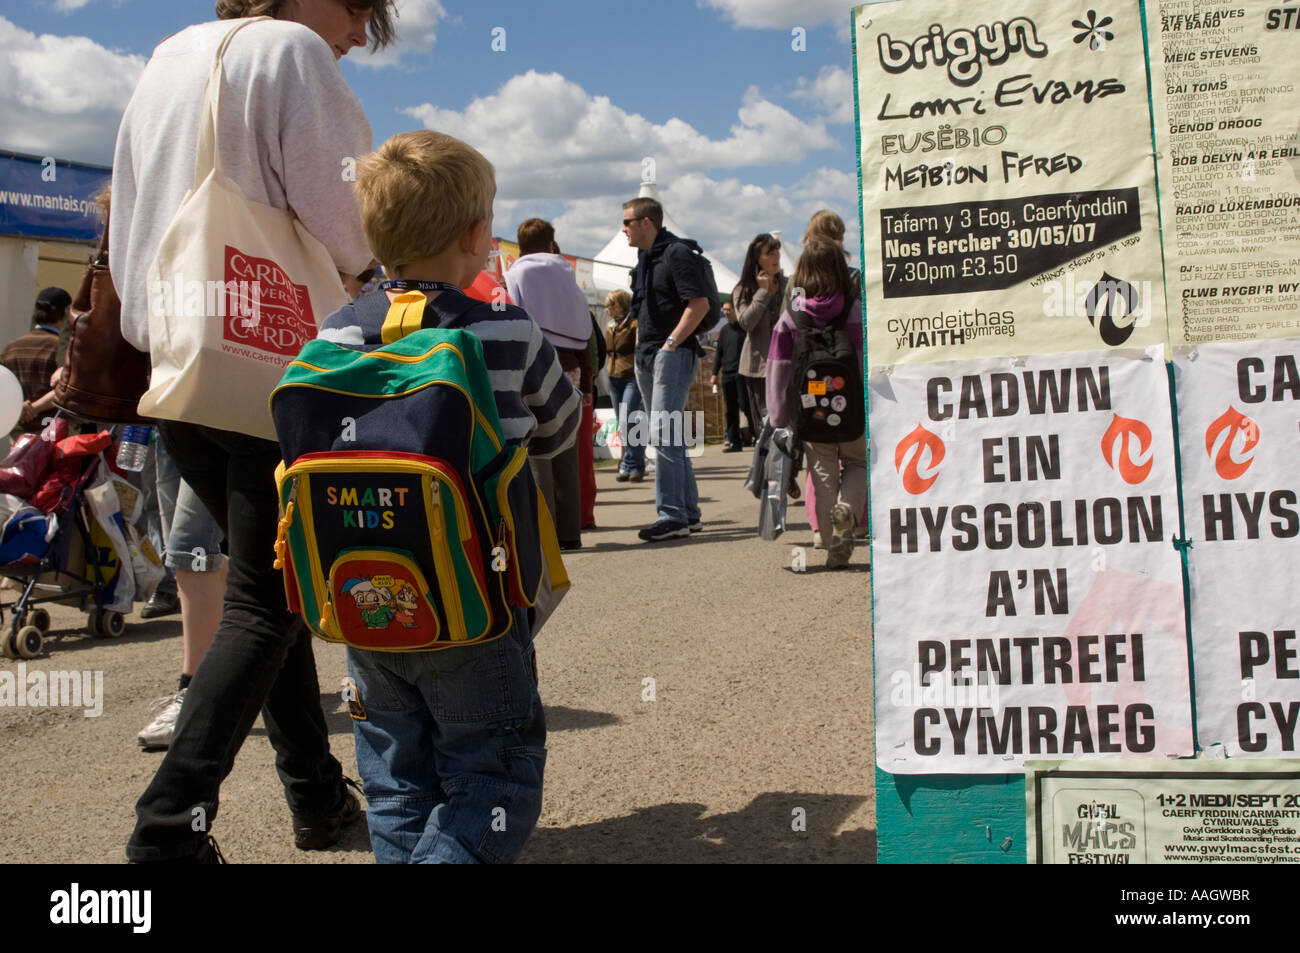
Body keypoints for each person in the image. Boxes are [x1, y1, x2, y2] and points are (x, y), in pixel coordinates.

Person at [112, 0, 400, 863]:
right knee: (268, 602)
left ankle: (316, 796)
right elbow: (351, 217)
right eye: (356, 10)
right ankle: (167, 827)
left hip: (183, 363)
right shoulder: (289, 50)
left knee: (273, 587)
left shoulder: (168, 55)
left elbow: (127, 214)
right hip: (276, 366)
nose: (356, 35)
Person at [317, 129, 579, 863]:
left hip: (364, 598)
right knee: (493, 776)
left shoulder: (333, 334)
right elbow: (560, 429)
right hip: (477, 601)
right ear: (475, 236)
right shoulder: (503, 329)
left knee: (399, 781)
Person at [767, 240, 865, 569]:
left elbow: (778, 371)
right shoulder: (854, 310)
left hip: (811, 411)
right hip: (852, 408)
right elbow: (868, 360)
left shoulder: (791, 316)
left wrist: (779, 416)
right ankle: (847, 513)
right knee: (857, 464)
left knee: (822, 473)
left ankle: (828, 537)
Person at [622, 196, 711, 541]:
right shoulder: (645, 258)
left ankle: (671, 515)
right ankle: (688, 513)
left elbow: (700, 304)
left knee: (663, 433)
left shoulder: (676, 253)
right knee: (669, 433)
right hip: (648, 353)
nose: (624, 229)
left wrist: (670, 345)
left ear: (647, 222)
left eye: (628, 222)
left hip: (671, 353)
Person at [505, 219, 590, 550]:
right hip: (570, 366)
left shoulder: (517, 273)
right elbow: (585, 330)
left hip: (534, 364)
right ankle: (571, 531)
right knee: (566, 443)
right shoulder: (567, 275)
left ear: (520, 244)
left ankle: (546, 533)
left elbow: (513, 316)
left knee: (537, 446)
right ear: (552, 243)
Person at [733, 233, 786, 427]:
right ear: (757, 259)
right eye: (770, 253)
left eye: (777, 251)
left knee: (789, 423)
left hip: (788, 363)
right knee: (765, 426)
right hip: (759, 367)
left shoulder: (788, 285)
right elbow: (746, 323)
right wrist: (763, 293)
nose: (776, 256)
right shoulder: (743, 289)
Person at [2, 287, 69, 437]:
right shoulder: (63, 350)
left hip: (17, 430)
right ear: (64, 316)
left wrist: (20, 408)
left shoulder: (11, 348)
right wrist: (34, 408)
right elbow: (65, 389)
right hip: (50, 432)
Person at [603, 289, 645, 480]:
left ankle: (630, 463)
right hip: (613, 379)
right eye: (607, 305)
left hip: (631, 378)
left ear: (623, 304)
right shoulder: (610, 326)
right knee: (625, 424)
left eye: (612, 304)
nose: (608, 309)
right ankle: (636, 464)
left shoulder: (635, 324)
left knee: (628, 420)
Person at [709, 300, 747, 451]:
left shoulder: (744, 328)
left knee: (745, 406)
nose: (726, 312)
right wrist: (714, 374)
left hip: (741, 374)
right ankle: (734, 442)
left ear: (735, 310)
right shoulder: (724, 330)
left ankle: (758, 437)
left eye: (728, 309)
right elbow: (719, 354)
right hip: (727, 374)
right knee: (730, 409)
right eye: (724, 310)